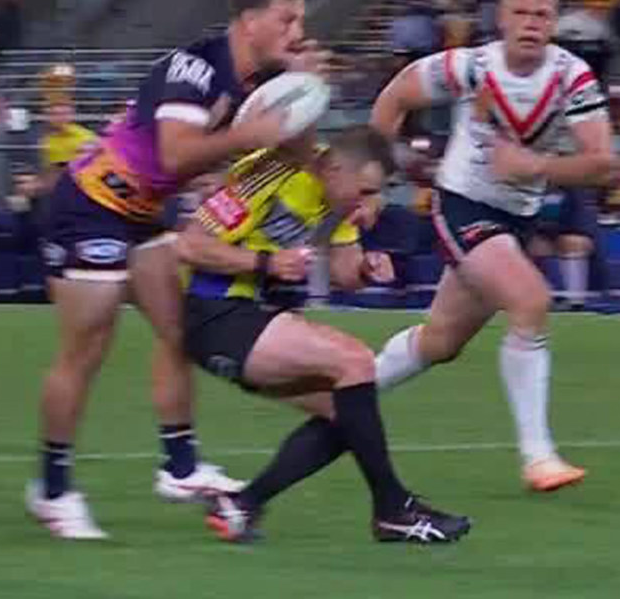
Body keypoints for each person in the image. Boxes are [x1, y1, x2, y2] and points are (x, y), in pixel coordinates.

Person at [29, 0, 318, 539]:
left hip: (141, 214)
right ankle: (53, 489)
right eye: (287, 20)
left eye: (300, 21)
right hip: (90, 205)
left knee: (179, 329)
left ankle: (180, 467)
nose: (296, 31)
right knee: (86, 349)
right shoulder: (197, 67)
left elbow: (279, 154)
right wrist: (248, 135)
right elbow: (176, 154)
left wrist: (310, 93)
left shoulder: (260, 79)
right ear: (250, 21)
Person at [367, 0, 614, 492]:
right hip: (461, 203)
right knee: (530, 299)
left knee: (440, 342)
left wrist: (532, 166)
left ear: (555, 21)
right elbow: (395, 97)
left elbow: (601, 163)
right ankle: (538, 456)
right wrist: (373, 175)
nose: (531, 24)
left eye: (542, 14)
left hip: (517, 217)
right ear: (501, 19)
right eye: (520, 13)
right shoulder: (471, 66)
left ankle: (347, 389)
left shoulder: (573, 78)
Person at [181, 127, 472, 544]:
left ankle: (243, 504)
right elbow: (190, 245)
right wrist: (266, 263)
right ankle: (393, 511)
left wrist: (368, 267)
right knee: (355, 362)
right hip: (211, 310)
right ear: (335, 168)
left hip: (249, 316)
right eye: (366, 189)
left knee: (348, 410)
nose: (369, 202)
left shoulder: (336, 201)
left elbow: (343, 274)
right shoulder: (273, 170)